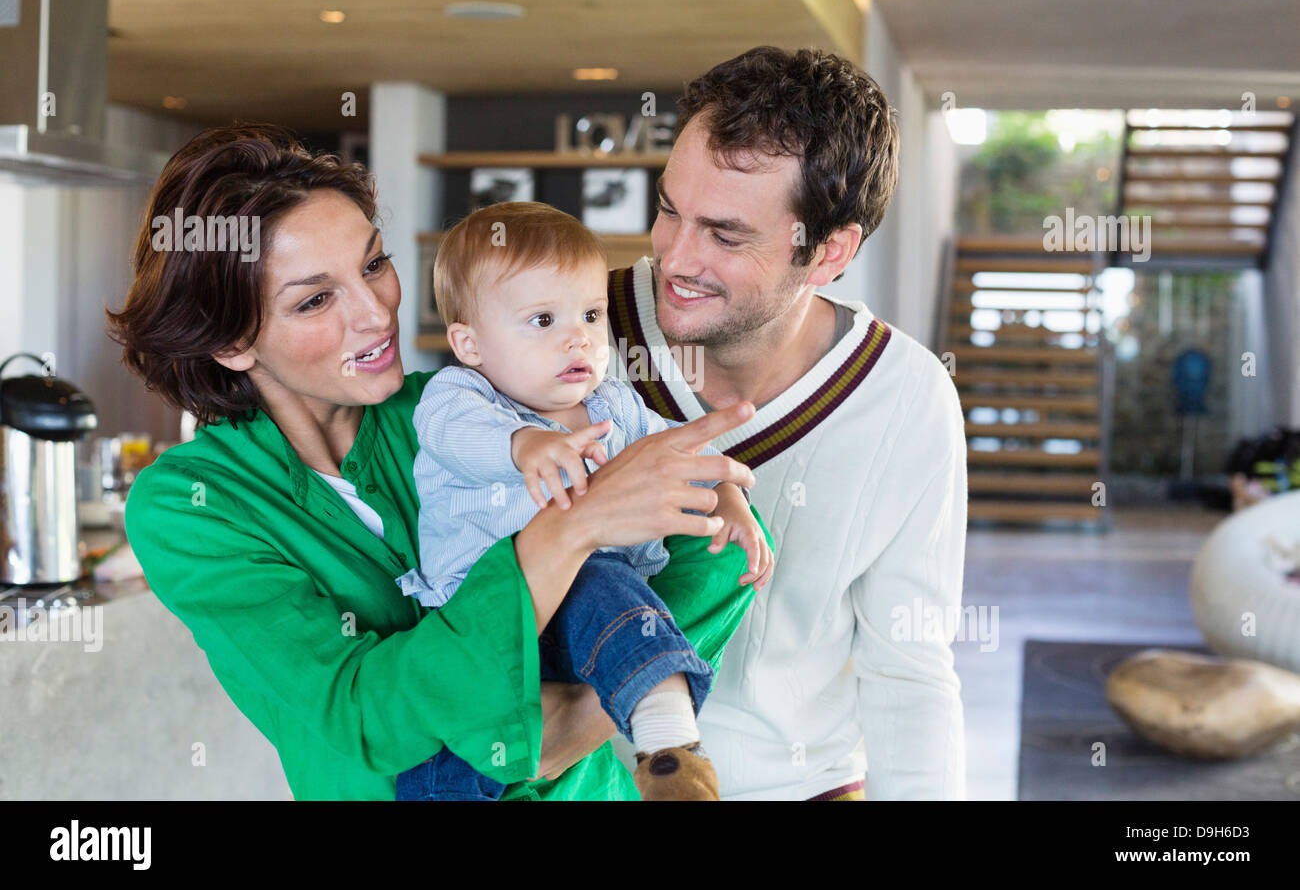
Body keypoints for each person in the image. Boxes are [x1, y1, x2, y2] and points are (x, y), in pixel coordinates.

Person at [108, 122, 763, 801]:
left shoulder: (476, 409)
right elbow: (361, 715)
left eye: (372, 265)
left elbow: (724, 558)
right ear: (232, 341)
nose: (375, 313)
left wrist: (569, 722)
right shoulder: (188, 507)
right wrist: (577, 534)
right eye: (314, 299)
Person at [602, 46, 968, 799]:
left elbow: (910, 675)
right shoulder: (569, 336)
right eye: (670, 209)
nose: (675, 256)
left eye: (726, 235)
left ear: (829, 253)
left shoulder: (908, 398)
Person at [392, 201, 774, 800]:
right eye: (542, 320)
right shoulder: (460, 396)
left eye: (591, 314)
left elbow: (673, 453)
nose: (578, 336)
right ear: (469, 344)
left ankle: (671, 748)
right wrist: (524, 445)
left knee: (613, 592)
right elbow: (451, 435)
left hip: (591, 615)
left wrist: (725, 494)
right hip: (488, 616)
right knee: (447, 759)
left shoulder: (615, 406)